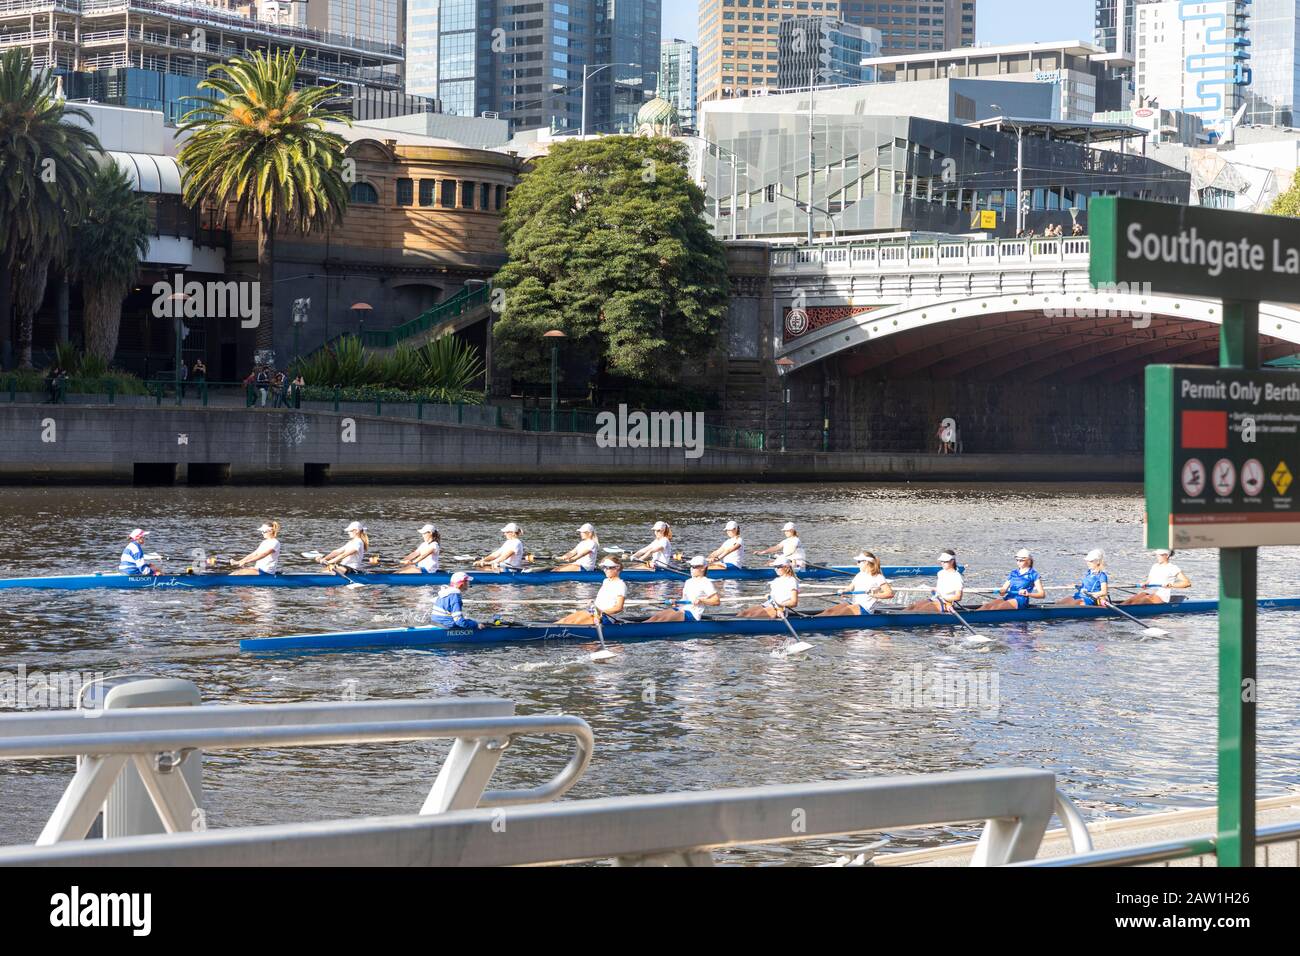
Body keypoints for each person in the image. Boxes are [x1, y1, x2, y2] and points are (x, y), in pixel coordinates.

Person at [817, 551, 894, 616]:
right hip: (854, 603)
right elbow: (850, 588)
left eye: (859, 562)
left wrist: (874, 595)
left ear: (866, 562)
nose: (857, 564)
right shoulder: (859, 574)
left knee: (839, 614)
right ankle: (811, 619)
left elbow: (890, 594)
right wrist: (844, 591)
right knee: (829, 612)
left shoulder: (878, 577)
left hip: (865, 608)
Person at [646, 556, 721, 622]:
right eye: (690, 566)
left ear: (703, 568)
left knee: (664, 619)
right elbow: (684, 599)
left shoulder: (706, 582)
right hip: (682, 610)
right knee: (657, 616)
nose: (691, 569)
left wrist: (701, 600)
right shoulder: (688, 581)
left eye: (694, 567)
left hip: (693, 615)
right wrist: (676, 602)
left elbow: (716, 601)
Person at [556, 557, 626, 625]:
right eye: (604, 567)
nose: (605, 570)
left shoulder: (620, 585)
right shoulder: (606, 581)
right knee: (566, 619)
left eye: (608, 567)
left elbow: (619, 607)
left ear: (617, 568)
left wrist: (600, 612)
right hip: (594, 611)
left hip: (606, 618)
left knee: (574, 622)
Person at [973, 549, 1045, 611]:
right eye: (1017, 560)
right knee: (986, 606)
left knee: (996, 608)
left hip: (1020, 600)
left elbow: (1042, 594)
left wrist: (1028, 594)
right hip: (1009, 597)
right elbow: (1003, 590)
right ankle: (973, 616)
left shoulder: (1033, 574)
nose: (1018, 562)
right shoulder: (1014, 573)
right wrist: (1002, 591)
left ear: (1028, 561)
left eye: (1021, 560)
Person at [1121, 548, 1191, 605]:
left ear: (1166, 555)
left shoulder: (1172, 568)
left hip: (1161, 595)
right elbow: (1149, 581)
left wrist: (1171, 585)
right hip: (1149, 591)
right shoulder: (1155, 566)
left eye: (1159, 555)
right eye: (1157, 555)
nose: (1157, 557)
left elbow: (1187, 583)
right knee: (1130, 601)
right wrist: (1145, 584)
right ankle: (1115, 610)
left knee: (1140, 601)